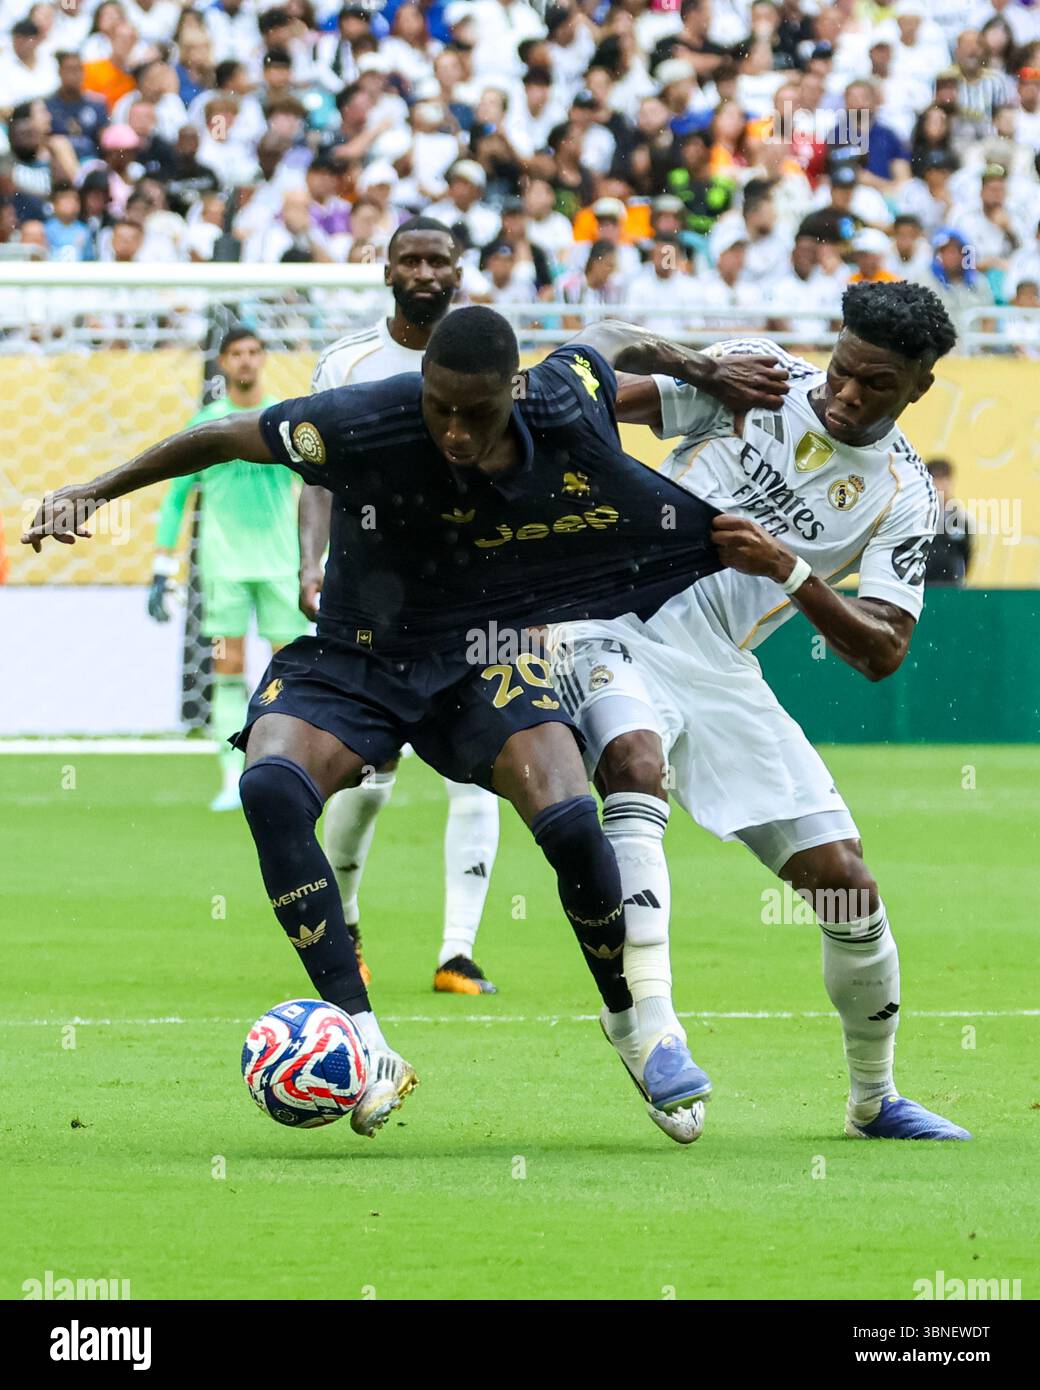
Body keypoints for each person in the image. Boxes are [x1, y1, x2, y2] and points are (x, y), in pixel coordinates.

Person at [23, 307, 786, 1139]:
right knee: (272, 788)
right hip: (358, 654)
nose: (454, 431)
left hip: (482, 655)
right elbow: (222, 435)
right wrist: (90, 491)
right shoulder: (365, 417)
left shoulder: (563, 397)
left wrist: (704, 370)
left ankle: (633, 1024)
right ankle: (363, 1035)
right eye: (439, 407)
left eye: (475, 412)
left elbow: (610, 333)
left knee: (571, 821)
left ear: (516, 390)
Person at [548, 282, 973, 1145]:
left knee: (847, 884)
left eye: (878, 386)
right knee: (634, 760)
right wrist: (690, 367)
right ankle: (653, 1026)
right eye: (845, 370)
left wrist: (790, 572)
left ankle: (873, 1102)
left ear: (920, 388)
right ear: (834, 346)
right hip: (608, 613)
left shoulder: (903, 495)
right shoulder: (759, 379)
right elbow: (584, 399)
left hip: (718, 662)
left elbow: (883, 650)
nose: (850, 394)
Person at [298, 217, 504, 996]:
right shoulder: (347, 362)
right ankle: (345, 922)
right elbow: (313, 472)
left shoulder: (493, 357)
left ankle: (458, 952)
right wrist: (308, 562)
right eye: (409, 259)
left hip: (474, 592)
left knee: (480, 767)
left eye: (437, 260)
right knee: (368, 766)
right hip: (370, 594)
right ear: (386, 269)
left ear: (459, 271)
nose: (423, 271)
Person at [148, 327, 309, 811]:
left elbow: (319, 490)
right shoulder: (207, 424)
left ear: (263, 360)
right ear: (222, 363)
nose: (245, 361)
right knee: (229, 667)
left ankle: (292, 767)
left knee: (292, 669)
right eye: (236, 354)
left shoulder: (283, 419)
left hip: (283, 566)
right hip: (225, 569)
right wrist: (162, 564)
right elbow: (176, 496)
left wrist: (320, 561)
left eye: (253, 352)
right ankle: (231, 777)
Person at [924, 458, 973, 586]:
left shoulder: (960, 520)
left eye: (945, 479)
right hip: (922, 588)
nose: (941, 485)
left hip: (951, 588)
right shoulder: (918, 518)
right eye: (936, 479)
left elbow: (966, 554)